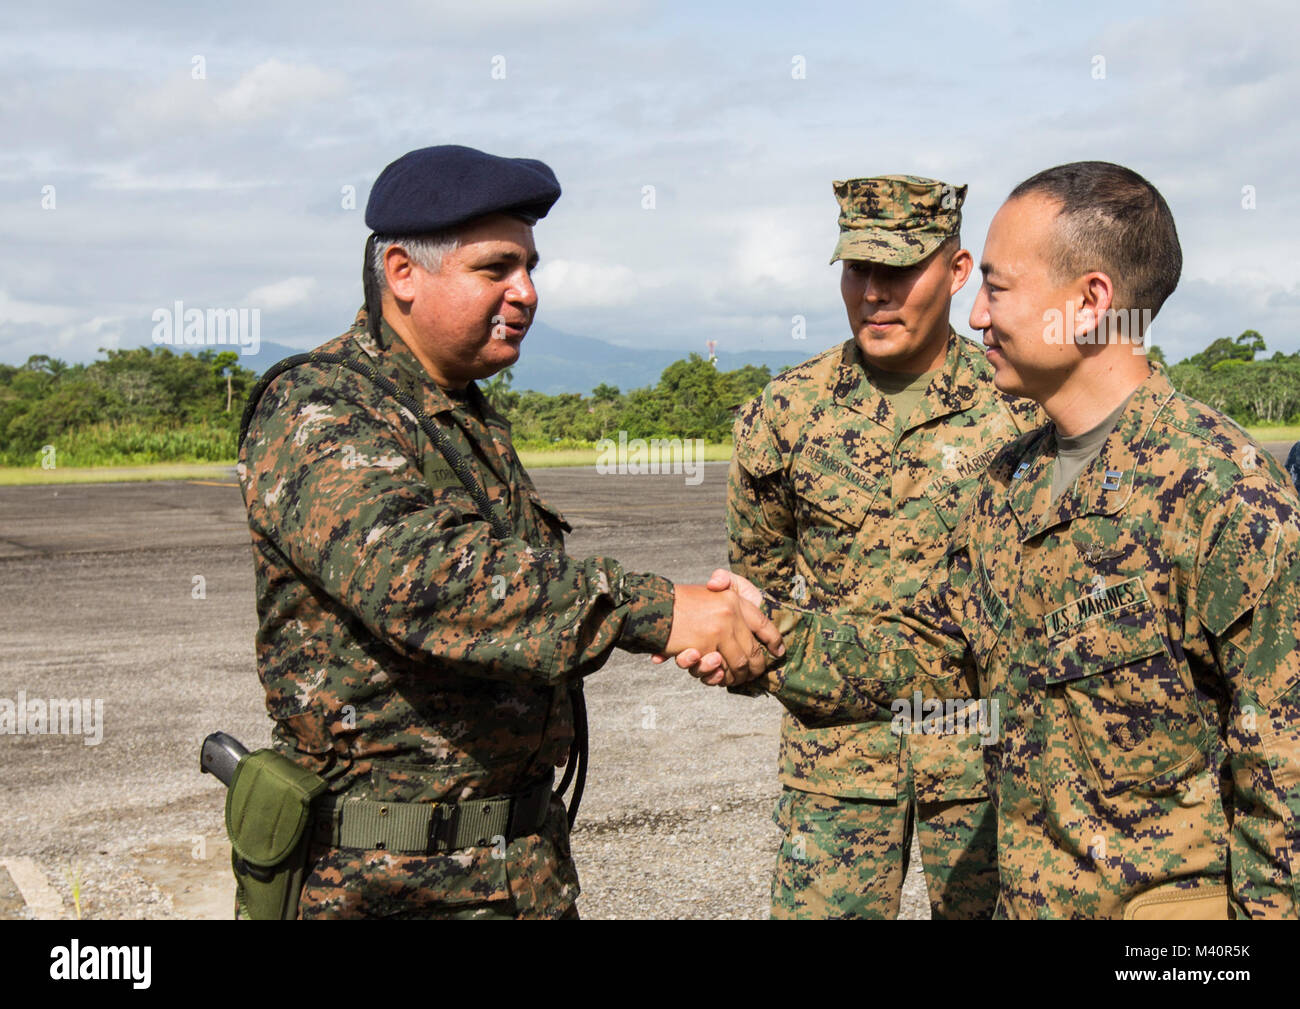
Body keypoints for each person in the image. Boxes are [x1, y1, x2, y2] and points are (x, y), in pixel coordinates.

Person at [688, 161, 1300, 919]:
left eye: (998, 289)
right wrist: (740, 625)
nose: (976, 316)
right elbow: (923, 662)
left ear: (1089, 304)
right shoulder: (1011, 485)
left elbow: (1286, 788)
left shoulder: (1223, 498)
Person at [236, 144, 780, 920]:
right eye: (495, 268)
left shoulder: (464, 416)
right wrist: (662, 612)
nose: (525, 292)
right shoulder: (320, 406)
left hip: (514, 875)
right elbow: (425, 582)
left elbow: (517, 606)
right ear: (402, 273)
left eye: (530, 267)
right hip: (386, 888)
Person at [725, 175, 1038, 919]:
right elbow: (757, 599)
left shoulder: (1020, 411)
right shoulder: (789, 410)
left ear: (959, 272)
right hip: (835, 768)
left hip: (982, 760)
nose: (874, 292)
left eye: (899, 270)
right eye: (857, 269)